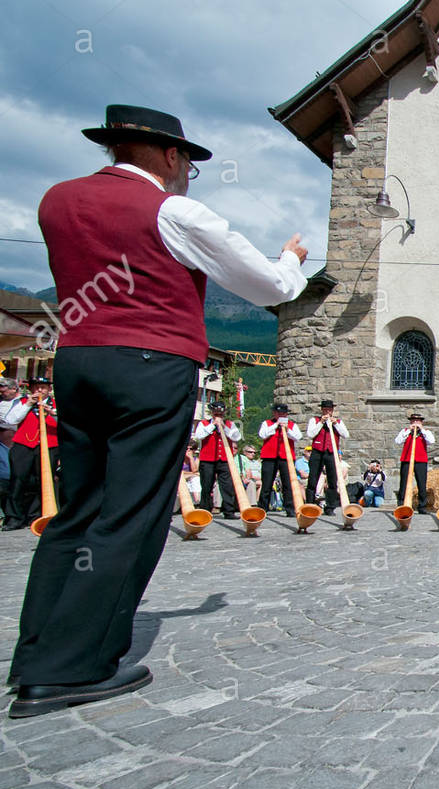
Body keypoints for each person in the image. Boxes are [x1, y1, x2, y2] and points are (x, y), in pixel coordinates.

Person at [8, 104, 306, 717]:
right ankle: (71, 669)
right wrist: (292, 261)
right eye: (189, 163)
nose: (190, 175)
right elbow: (266, 287)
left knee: (77, 509)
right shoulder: (174, 210)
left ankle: (37, 652)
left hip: (78, 361)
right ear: (170, 156)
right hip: (152, 365)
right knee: (132, 514)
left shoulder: (56, 200)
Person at [3, 377, 59, 530]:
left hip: (49, 446)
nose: (40, 391)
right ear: (31, 389)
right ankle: (14, 517)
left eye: (43, 387)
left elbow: (64, 423)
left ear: (49, 390)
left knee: (43, 482)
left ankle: (36, 516)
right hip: (24, 445)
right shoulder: (21, 403)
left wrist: (52, 413)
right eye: (36, 388)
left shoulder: (56, 404)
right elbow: (10, 420)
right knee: (18, 481)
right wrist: (28, 404)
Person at [192, 399, 241, 519]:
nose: (218, 415)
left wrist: (223, 426)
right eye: (216, 413)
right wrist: (213, 424)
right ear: (212, 413)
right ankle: (205, 511)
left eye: (220, 413)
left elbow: (237, 437)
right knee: (207, 486)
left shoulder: (230, 424)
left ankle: (229, 511)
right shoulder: (203, 424)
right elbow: (199, 436)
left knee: (227, 486)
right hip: (207, 460)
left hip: (224, 460)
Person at [305, 398, 348, 516]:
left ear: (332, 411)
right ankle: (310, 505)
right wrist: (321, 423)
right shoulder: (314, 420)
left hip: (331, 452)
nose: (327, 412)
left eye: (329, 410)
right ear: (322, 410)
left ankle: (330, 507)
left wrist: (335, 424)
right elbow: (310, 434)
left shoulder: (338, 422)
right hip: (317, 452)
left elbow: (345, 434)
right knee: (313, 479)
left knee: (332, 480)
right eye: (325, 410)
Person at [258, 404, 303, 516]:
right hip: (269, 457)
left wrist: (287, 430)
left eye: (283, 413)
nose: (280, 415)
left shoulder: (292, 425)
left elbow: (297, 437)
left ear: (286, 414)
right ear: (274, 413)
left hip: (286, 458)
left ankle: (290, 508)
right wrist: (275, 425)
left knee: (288, 484)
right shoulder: (267, 423)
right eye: (278, 413)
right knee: (267, 484)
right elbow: (262, 435)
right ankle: (263, 508)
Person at [395, 412, 435, 513]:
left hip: (421, 461)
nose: (415, 423)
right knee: (403, 483)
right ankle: (401, 505)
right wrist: (408, 431)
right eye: (413, 421)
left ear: (421, 423)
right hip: (406, 460)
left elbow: (431, 441)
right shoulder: (405, 431)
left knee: (422, 484)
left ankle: (422, 506)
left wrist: (421, 430)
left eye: (418, 421)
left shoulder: (426, 432)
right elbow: (398, 441)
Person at [0, 378, 20, 529]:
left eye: (4, 388)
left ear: (14, 389)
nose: (2, 390)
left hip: (12, 443)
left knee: (8, 476)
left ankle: (10, 514)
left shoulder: (22, 402)